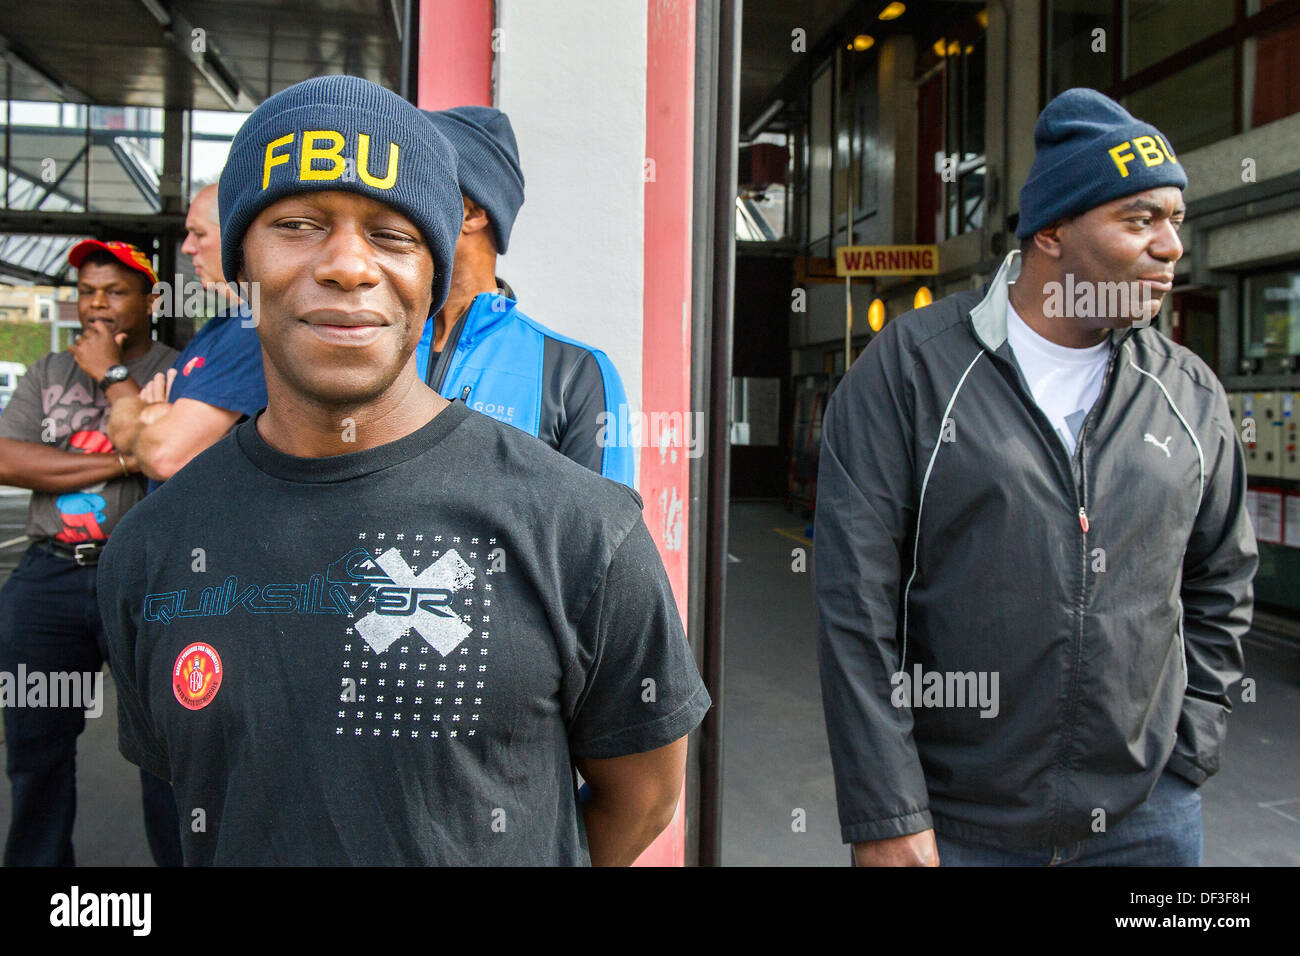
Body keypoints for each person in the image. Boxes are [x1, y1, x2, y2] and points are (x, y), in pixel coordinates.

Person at [99, 75, 710, 866]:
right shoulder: (152, 549)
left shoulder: (586, 532)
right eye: (298, 224)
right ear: (242, 263)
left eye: (392, 234)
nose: (349, 265)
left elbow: (647, 795)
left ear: (433, 269)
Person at [815, 88, 1257, 867]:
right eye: (1139, 219)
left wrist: (1187, 750)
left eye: (1175, 221)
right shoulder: (913, 369)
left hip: (1146, 824)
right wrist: (886, 810)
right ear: (1051, 231)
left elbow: (1221, 575)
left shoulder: (1188, 392)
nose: (1170, 247)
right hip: (956, 825)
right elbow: (855, 604)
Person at [0, 240, 178, 865]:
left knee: (166, 753)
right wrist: (129, 457)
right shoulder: (48, 371)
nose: (96, 304)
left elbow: (179, 460)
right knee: (34, 747)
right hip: (48, 576)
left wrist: (112, 375)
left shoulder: (176, 370)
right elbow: (10, 460)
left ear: (152, 301)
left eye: (115, 291)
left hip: (142, 582)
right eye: (86, 291)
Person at [417, 106, 634, 486]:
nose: (397, 207)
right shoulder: (358, 341)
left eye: (419, 187)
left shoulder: (575, 373)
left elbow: (602, 538)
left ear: (471, 213)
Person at [106, 183, 268, 492]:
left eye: (200, 234)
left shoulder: (252, 326)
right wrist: (154, 416)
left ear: (238, 233)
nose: (186, 247)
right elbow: (122, 436)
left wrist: (152, 416)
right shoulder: (221, 324)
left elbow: (165, 456)